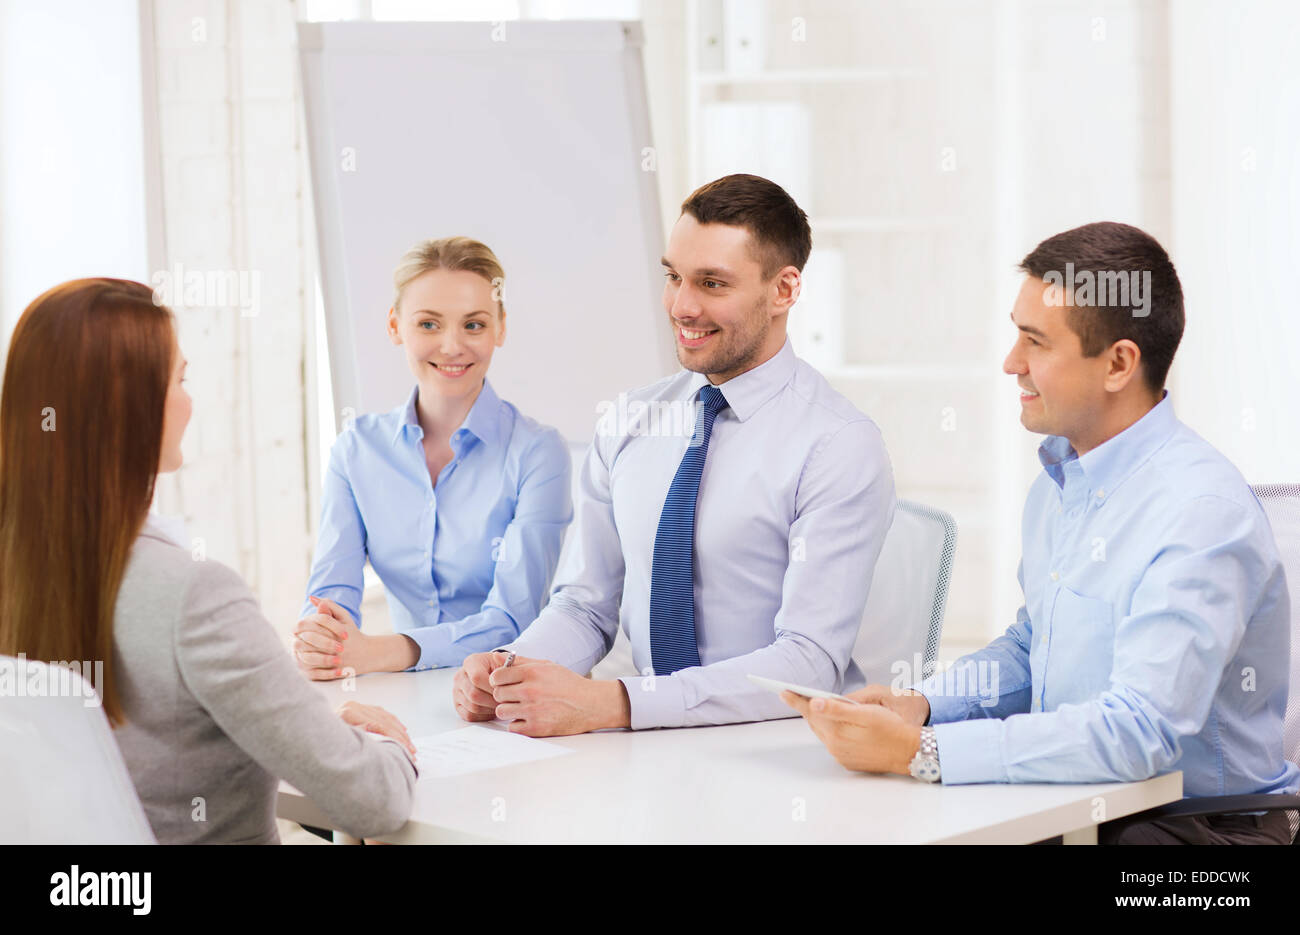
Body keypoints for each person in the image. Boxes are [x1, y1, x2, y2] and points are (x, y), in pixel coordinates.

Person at [782, 222, 1299, 845]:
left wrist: (925, 752)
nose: (1011, 363)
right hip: (1088, 806)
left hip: (1204, 838)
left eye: (1035, 342)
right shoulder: (1062, 479)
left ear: (1118, 364)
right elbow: (1035, 645)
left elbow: (1139, 734)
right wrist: (921, 708)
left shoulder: (1201, 512)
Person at [452, 173, 896, 736]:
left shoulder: (837, 444)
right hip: (648, 746)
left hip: (777, 748)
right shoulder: (630, 421)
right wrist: (511, 669)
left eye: (712, 284)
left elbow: (808, 662)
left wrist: (614, 704)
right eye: (673, 277)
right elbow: (585, 607)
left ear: (784, 290)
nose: (682, 306)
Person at [0, 278, 418, 844]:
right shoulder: (191, 595)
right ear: (130, 406)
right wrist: (387, 747)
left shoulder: (20, 568)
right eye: (180, 378)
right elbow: (374, 801)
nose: (190, 400)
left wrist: (307, 734)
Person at [293, 237, 572, 678]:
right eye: (428, 324)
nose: (451, 346)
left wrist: (382, 652)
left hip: (511, 692)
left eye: (474, 325)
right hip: (403, 691)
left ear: (500, 329)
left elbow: (511, 620)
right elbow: (329, 596)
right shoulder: (357, 451)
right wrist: (319, 639)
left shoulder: (538, 452)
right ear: (394, 326)